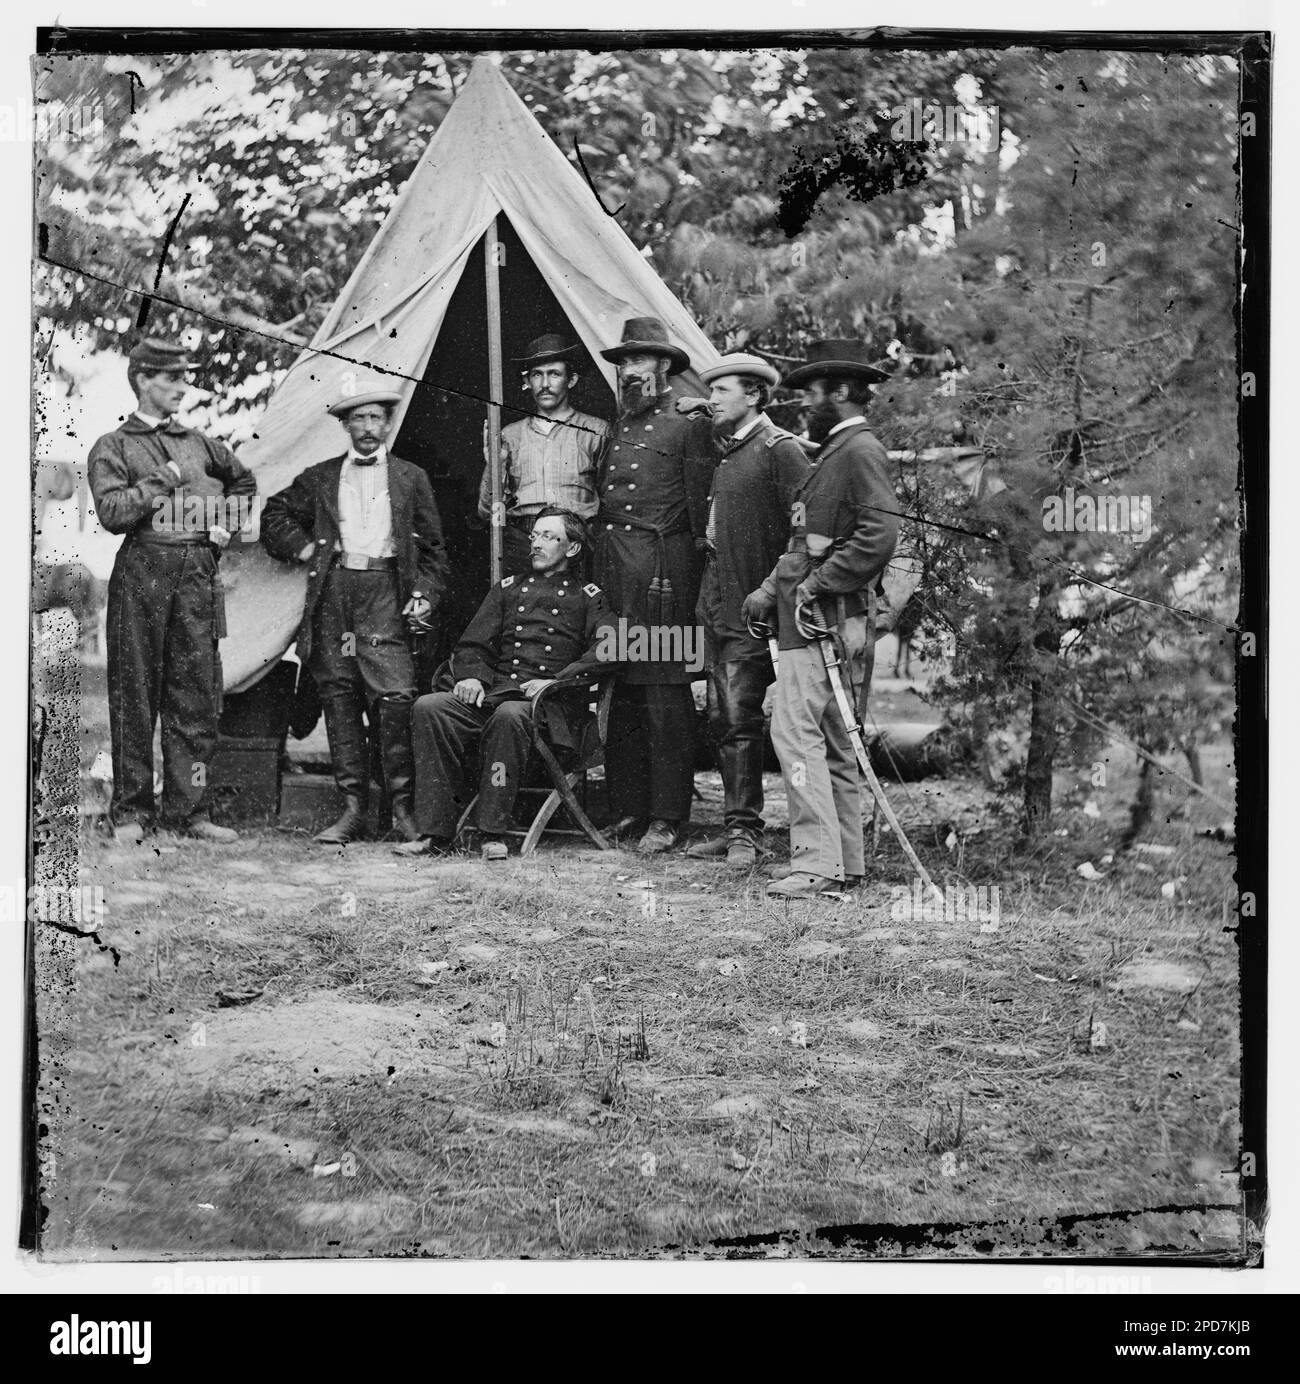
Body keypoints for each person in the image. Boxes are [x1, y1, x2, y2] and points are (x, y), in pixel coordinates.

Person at [741, 339, 899, 898]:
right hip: (813, 619)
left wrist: (815, 585)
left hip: (825, 623)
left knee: (793, 734)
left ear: (841, 392)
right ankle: (844, 861)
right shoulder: (834, 452)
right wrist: (769, 589)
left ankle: (814, 862)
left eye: (813, 390)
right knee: (832, 741)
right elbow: (803, 542)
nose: (805, 400)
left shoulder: (859, 451)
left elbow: (879, 536)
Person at [260, 383, 448, 845]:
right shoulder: (322, 477)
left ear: (388, 424)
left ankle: (402, 808)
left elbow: (435, 552)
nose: (367, 428)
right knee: (339, 695)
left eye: (375, 419)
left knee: (396, 697)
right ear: (345, 426)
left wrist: (423, 594)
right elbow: (273, 514)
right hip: (335, 593)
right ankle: (353, 810)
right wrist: (305, 548)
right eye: (358, 420)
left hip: (385, 592)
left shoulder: (411, 478)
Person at [88, 336, 258, 844]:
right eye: (172, 378)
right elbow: (114, 513)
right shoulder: (114, 446)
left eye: (186, 377)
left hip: (196, 579)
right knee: (134, 697)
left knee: (195, 698)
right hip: (142, 571)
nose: (183, 387)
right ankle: (131, 813)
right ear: (142, 380)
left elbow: (244, 481)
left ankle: (191, 812)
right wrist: (164, 478)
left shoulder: (202, 443)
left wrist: (224, 522)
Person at [397, 508, 616, 861]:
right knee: (430, 707)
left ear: (572, 549)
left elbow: (612, 646)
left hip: (550, 710)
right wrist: (472, 676)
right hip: (497, 696)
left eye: (548, 537)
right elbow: (471, 644)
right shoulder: (508, 589)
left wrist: (554, 681)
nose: (536, 544)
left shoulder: (588, 596)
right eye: (534, 536)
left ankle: (492, 831)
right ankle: (434, 833)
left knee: (510, 714)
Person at [591, 316, 716, 854]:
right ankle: (628, 807)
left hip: (664, 578)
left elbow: (698, 514)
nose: (629, 371)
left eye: (638, 361)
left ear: (664, 366)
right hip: (616, 572)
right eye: (622, 363)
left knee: (665, 695)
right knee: (620, 690)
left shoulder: (689, 424)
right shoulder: (617, 425)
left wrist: (684, 585)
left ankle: (667, 817)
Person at [685, 354, 812, 868]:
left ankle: (745, 833)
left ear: (755, 396)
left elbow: (807, 533)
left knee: (739, 716)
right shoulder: (729, 450)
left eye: (722, 392)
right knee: (721, 715)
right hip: (715, 603)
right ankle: (735, 823)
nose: (712, 399)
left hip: (752, 608)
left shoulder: (781, 451)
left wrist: (769, 587)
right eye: (710, 393)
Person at [477, 333, 609, 577]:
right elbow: (488, 512)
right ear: (527, 381)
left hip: (576, 543)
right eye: (537, 374)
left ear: (571, 380)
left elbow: (610, 500)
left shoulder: (596, 431)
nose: (545, 383)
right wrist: (495, 465)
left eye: (554, 374)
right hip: (524, 545)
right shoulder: (510, 435)